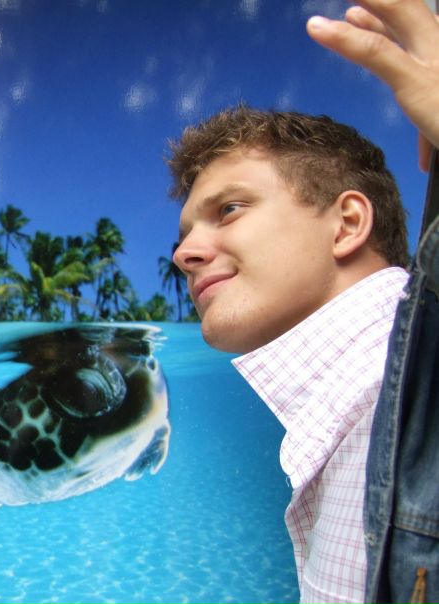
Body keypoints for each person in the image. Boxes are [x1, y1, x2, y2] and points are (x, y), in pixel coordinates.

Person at [167, 1, 439, 602]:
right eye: (182, 237)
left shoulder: (418, 377)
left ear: (347, 224)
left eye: (229, 209)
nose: (184, 254)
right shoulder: (345, 413)